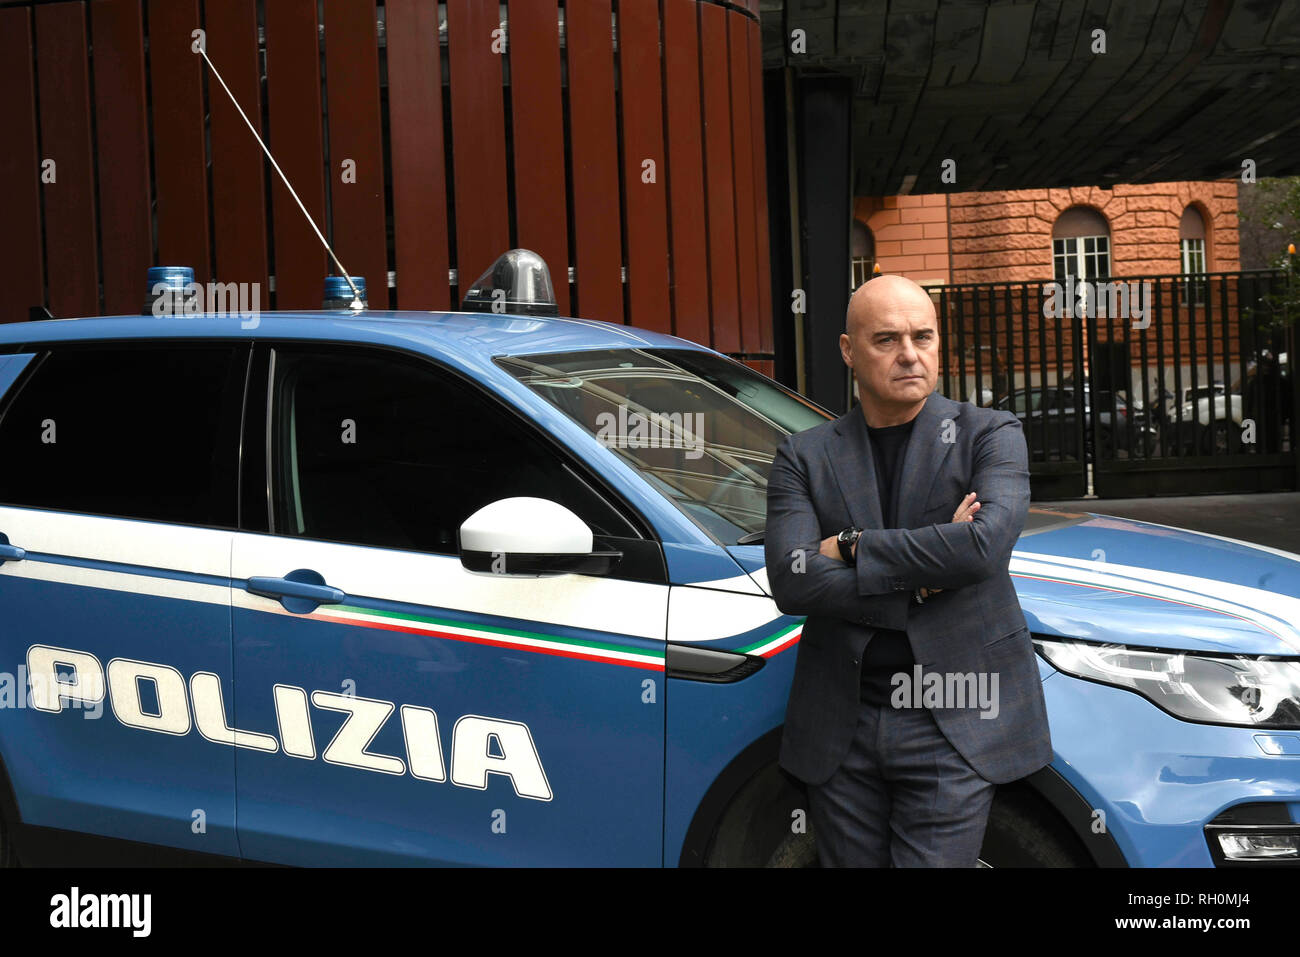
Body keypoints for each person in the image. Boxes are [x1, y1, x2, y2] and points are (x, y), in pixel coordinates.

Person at [764, 274, 1052, 867]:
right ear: (849, 350)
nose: (910, 354)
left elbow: (980, 550)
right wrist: (920, 580)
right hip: (842, 724)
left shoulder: (990, 435)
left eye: (923, 336)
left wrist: (846, 545)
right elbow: (793, 579)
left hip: (953, 720)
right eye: (887, 339)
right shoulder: (805, 455)